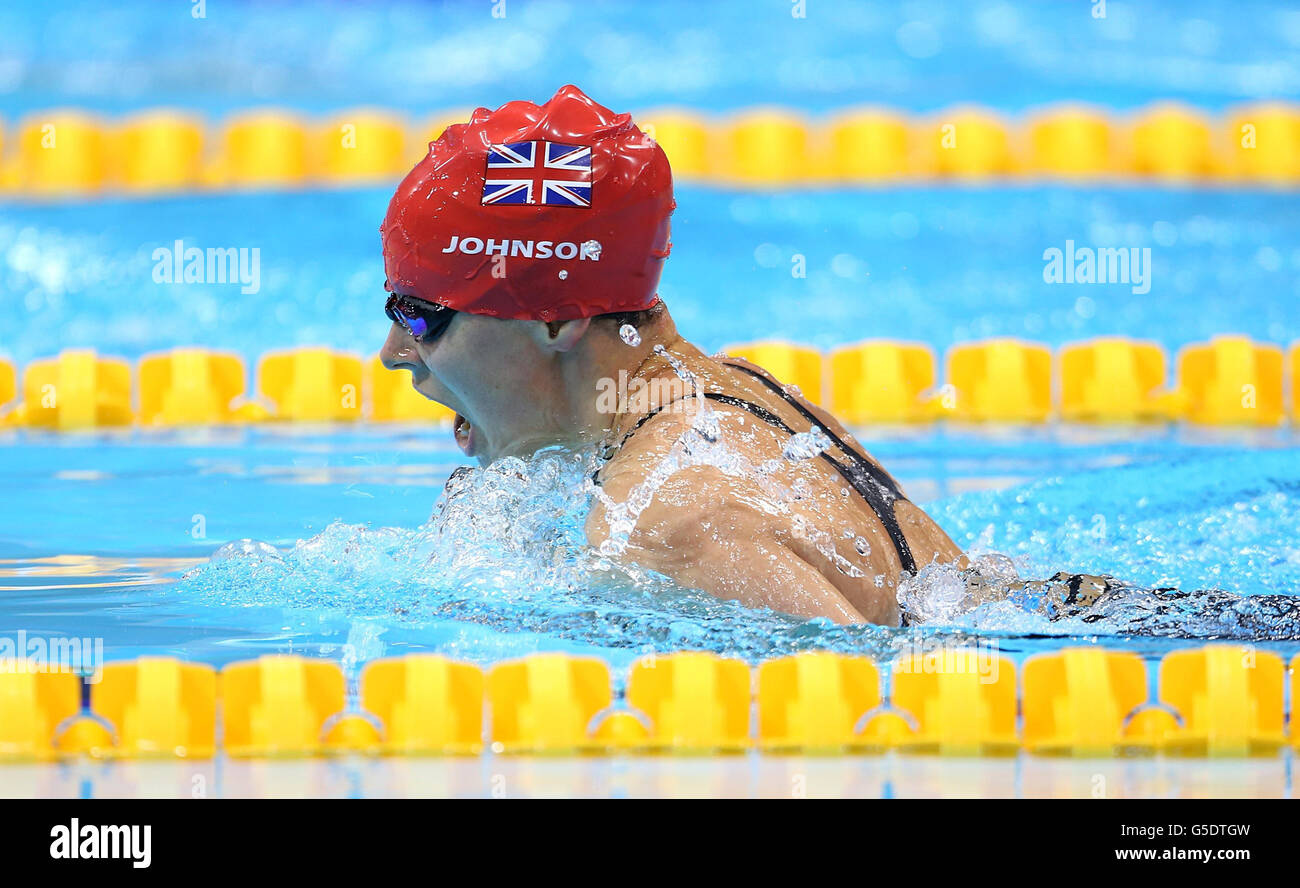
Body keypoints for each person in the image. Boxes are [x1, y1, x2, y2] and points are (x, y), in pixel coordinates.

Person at [378, 84, 965, 626]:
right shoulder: (737, 391)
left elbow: (856, 697)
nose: (396, 354)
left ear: (555, 322)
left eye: (420, 316)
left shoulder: (666, 517)